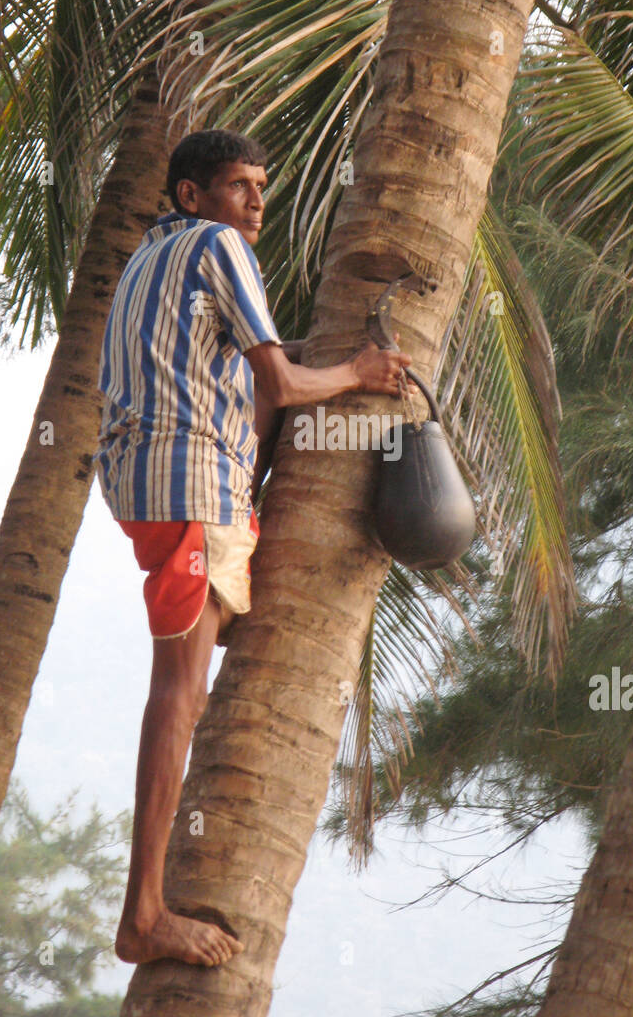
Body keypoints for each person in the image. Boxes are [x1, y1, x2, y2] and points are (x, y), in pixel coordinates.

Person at [94, 128, 413, 967]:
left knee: (191, 669)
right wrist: (358, 375)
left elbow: (240, 376)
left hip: (155, 487)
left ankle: (147, 904)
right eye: (239, 185)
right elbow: (278, 384)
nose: (255, 202)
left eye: (261, 187)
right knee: (180, 690)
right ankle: (145, 915)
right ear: (191, 195)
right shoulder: (216, 246)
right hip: (189, 485)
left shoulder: (146, 263)